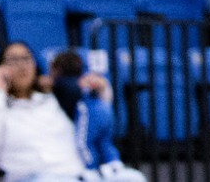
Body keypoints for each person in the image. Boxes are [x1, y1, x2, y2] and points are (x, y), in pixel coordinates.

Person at [0, 43, 88, 182]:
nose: (22, 66)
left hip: (75, 175)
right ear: (0, 68)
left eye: (27, 58)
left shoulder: (49, 100)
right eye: (13, 60)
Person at [48, 50, 145, 182]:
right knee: (104, 141)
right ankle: (114, 164)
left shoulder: (65, 83)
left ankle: (90, 169)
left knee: (83, 142)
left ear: (57, 69)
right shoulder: (89, 78)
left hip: (88, 111)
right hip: (106, 109)